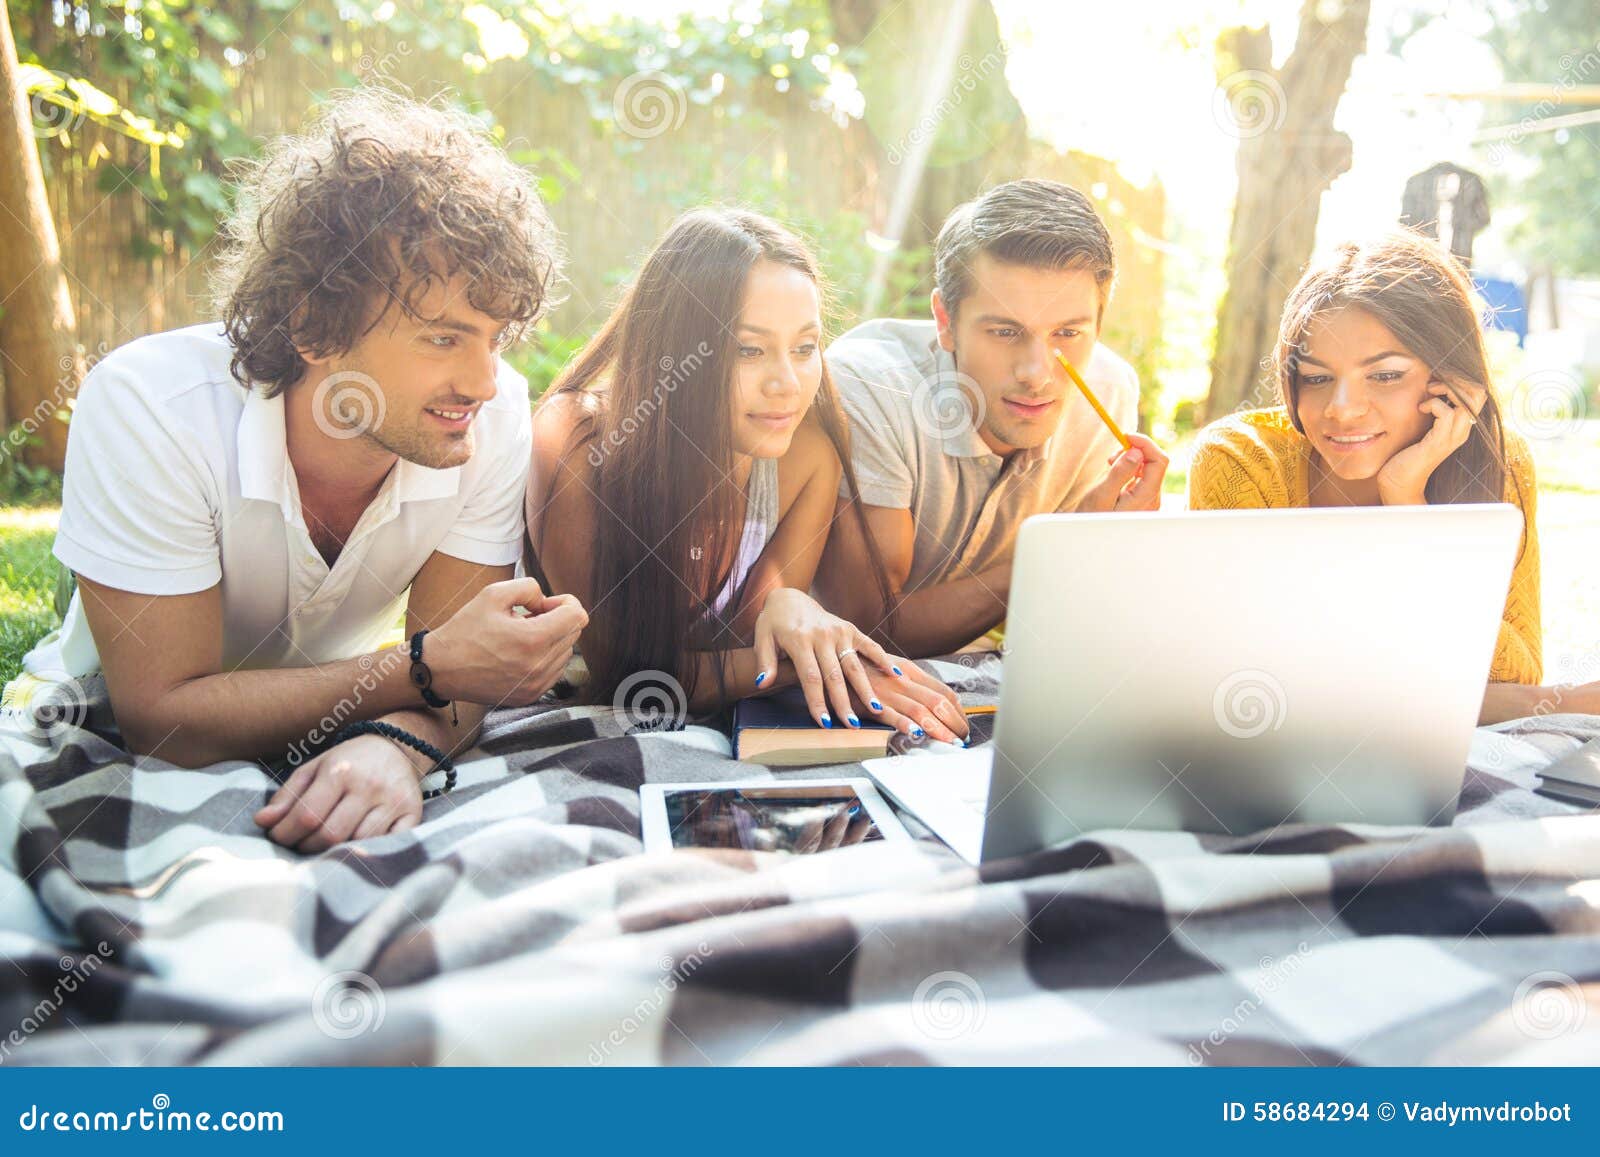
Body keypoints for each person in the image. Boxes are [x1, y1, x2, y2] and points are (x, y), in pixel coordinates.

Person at [20, 90, 586, 851]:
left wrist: (396, 743)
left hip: (343, 713)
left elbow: (465, 674)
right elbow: (163, 721)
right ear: (315, 324)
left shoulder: (492, 416)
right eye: (444, 339)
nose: (485, 382)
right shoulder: (150, 405)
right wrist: (423, 671)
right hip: (102, 717)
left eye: (494, 338)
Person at [526, 208, 968, 743]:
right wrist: (824, 669)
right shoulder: (578, 441)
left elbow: (738, 653)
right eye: (749, 350)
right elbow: (626, 677)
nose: (786, 383)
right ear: (677, 352)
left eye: (805, 348)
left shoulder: (807, 459)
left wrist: (790, 610)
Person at [1188, 230, 1587, 725]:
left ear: (1448, 379)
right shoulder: (1242, 460)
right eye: (1315, 378)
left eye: (1384, 375)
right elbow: (1250, 689)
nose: (1343, 410)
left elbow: (1512, 674)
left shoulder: (1498, 464)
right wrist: (1550, 703)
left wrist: (1406, 503)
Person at [815, 179, 1168, 656]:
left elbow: (1082, 615)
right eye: (1005, 331)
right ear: (945, 321)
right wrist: (1057, 550)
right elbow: (869, 627)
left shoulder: (1108, 390)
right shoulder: (870, 388)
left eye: (1068, 331)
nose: (1037, 374)